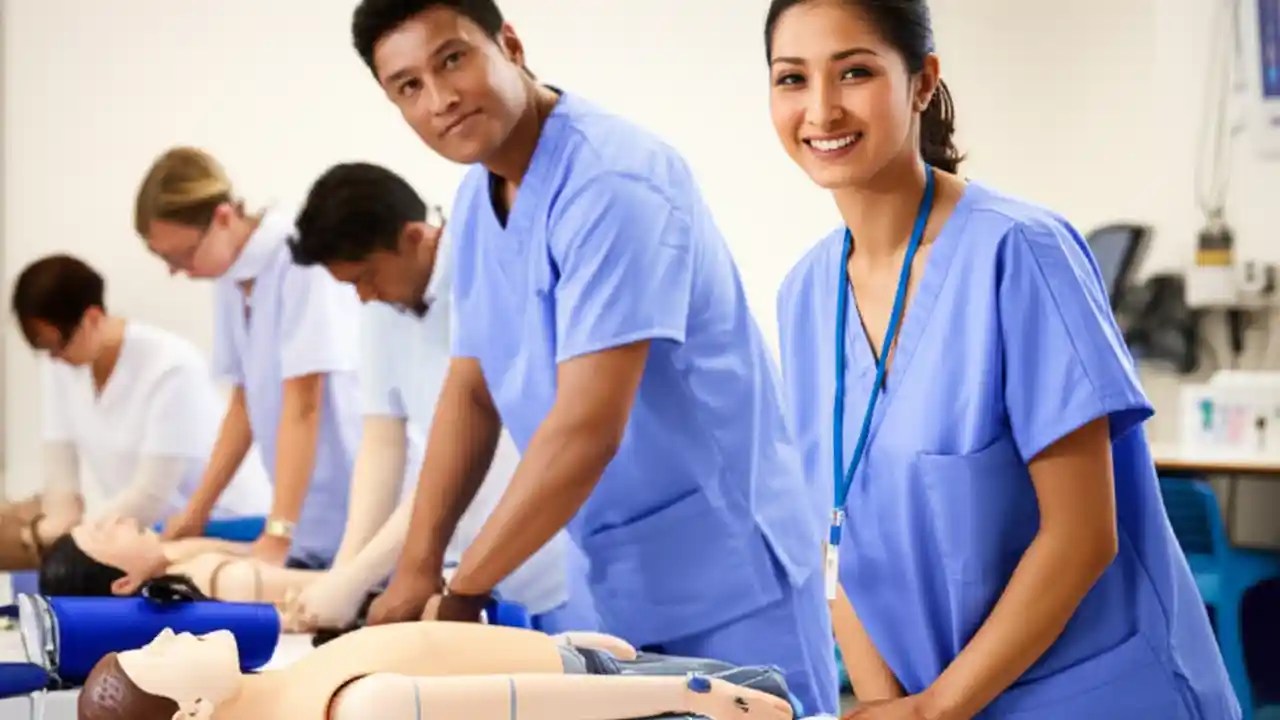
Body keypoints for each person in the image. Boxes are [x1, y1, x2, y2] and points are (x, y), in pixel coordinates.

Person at [286, 1, 839, 714]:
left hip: (729, 570)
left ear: (508, 44)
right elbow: (471, 392)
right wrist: (416, 565)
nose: (440, 98)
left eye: (452, 59)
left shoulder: (613, 180)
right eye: (408, 86)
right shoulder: (478, 204)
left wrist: (464, 589)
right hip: (616, 578)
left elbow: (586, 428)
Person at [765, 1, 1238, 718]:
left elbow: (1082, 537)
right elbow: (830, 529)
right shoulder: (805, 295)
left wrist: (932, 710)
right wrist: (886, 703)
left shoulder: (1020, 254)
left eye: (854, 72)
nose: (821, 110)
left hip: (1096, 699)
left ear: (923, 82)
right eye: (791, 79)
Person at [285, 162, 600, 635]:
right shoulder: (380, 311)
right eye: (351, 285)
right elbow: (383, 446)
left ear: (415, 236)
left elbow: (465, 457)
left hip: (554, 558)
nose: (364, 297)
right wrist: (344, 573)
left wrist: (359, 576)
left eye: (367, 277)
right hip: (467, 562)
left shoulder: (485, 280)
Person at [133, 146, 363, 569]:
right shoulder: (230, 277)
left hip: (356, 498)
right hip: (307, 519)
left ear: (223, 218)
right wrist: (197, 511)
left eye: (181, 255)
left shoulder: (299, 259)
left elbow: (305, 404)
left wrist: (278, 533)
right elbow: (245, 405)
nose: (175, 271)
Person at [8, 255, 269, 558]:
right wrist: (51, 531)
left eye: (57, 344)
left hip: (225, 527)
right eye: (42, 346)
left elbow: (151, 494)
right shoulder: (59, 367)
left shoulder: (170, 366)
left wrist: (79, 540)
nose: (52, 356)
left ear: (92, 318)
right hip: (146, 536)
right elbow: (60, 475)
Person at [78, 623, 796, 720]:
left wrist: (555, 641)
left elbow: (430, 644)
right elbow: (528, 706)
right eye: (160, 654)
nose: (170, 631)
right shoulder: (356, 710)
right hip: (629, 704)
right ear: (194, 711)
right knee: (784, 700)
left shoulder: (297, 680)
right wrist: (691, 695)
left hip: (599, 670)